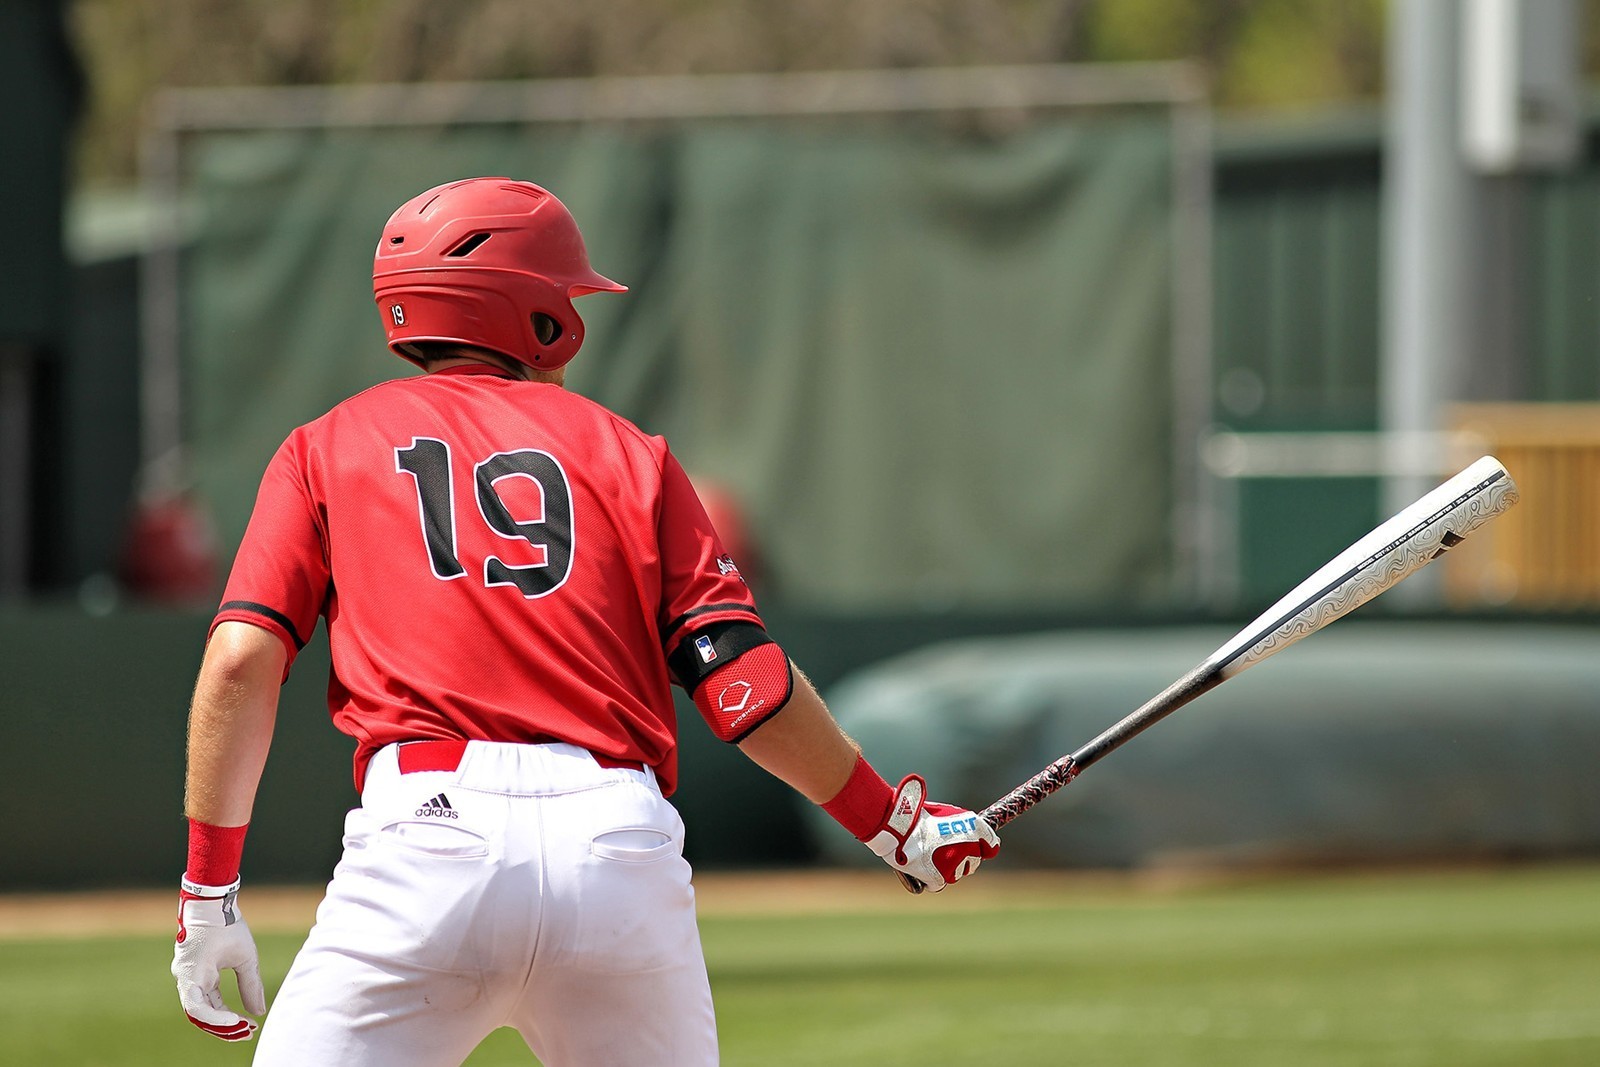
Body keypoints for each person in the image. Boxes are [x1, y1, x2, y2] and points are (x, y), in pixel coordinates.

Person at [170, 176, 1000, 1065]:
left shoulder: (324, 444)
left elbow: (238, 663)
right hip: (616, 843)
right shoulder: (632, 452)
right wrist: (892, 822)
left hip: (424, 840)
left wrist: (208, 891)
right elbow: (744, 682)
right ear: (538, 316)